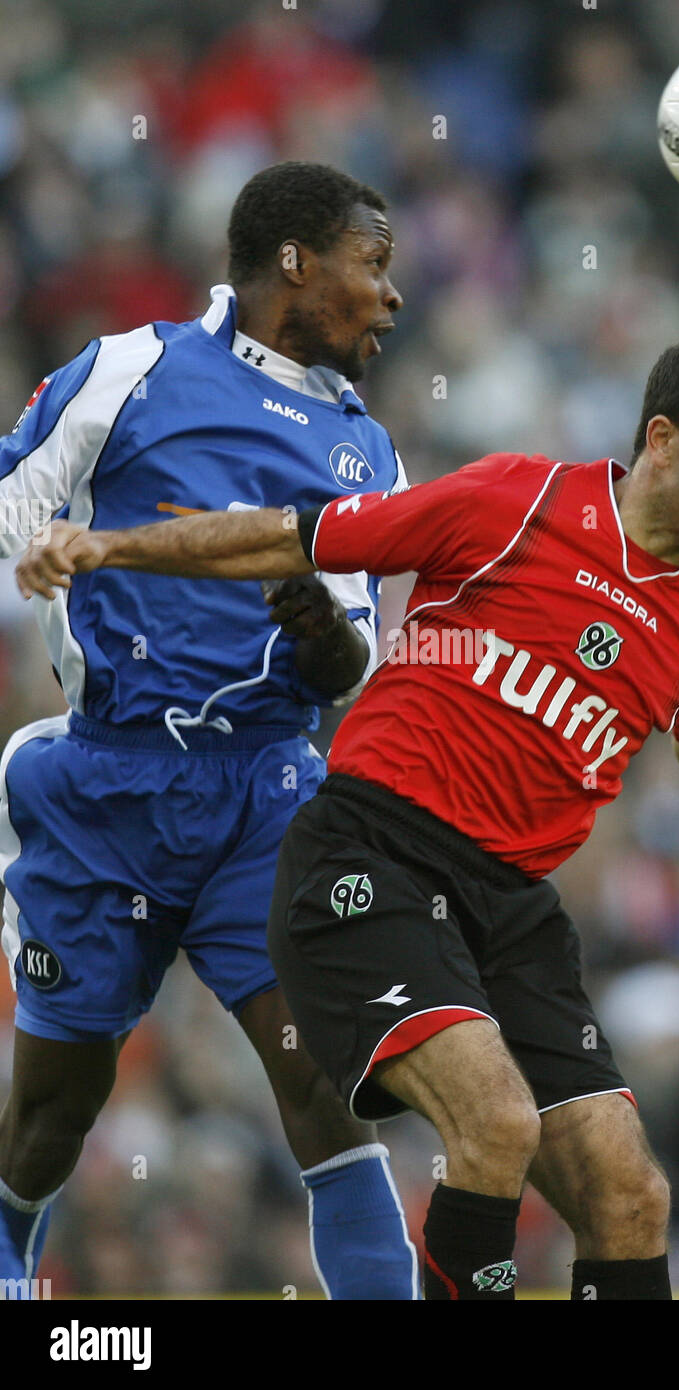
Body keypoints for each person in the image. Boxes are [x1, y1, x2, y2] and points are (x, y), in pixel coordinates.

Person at [17, 333, 679, 1300]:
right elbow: (291, 536)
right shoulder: (515, 503)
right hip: (369, 857)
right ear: (662, 438)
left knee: (632, 1195)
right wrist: (111, 545)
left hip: (513, 908)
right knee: (497, 1123)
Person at [0, 162, 420, 1300]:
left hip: (268, 794)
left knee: (322, 1089)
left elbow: (352, 659)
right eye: (373, 265)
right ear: (297, 261)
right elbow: (12, 508)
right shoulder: (127, 373)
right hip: (104, 790)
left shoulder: (367, 453)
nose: (391, 297)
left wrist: (317, 634)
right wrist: (35, 553)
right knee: (51, 1118)